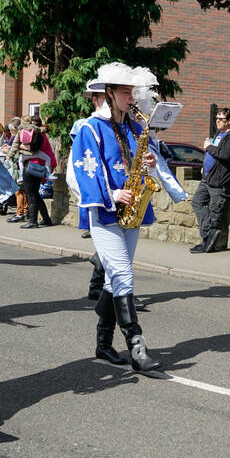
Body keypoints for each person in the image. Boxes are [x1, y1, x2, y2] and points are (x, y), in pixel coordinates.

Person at [71, 62, 163, 372]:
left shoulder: (135, 127)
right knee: (123, 275)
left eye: (133, 92)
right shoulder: (89, 127)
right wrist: (111, 194)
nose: (132, 98)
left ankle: (103, 344)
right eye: (126, 92)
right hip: (106, 212)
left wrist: (150, 162)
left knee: (114, 279)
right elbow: (85, 171)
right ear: (108, 93)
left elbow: (144, 165)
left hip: (132, 211)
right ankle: (136, 345)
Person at [190, 105, 230, 253]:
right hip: (207, 177)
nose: (217, 121)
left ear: (229, 121)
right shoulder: (219, 134)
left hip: (220, 181)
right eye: (216, 118)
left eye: (221, 119)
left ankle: (208, 242)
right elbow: (215, 154)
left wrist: (208, 147)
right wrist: (205, 165)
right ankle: (208, 234)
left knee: (216, 213)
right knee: (197, 202)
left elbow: (225, 155)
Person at [16, 115, 55, 229]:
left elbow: (32, 148)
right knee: (36, 194)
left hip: (33, 165)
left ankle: (33, 221)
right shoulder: (41, 134)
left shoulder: (35, 134)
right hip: (38, 165)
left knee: (31, 193)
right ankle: (46, 219)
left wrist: (20, 145)